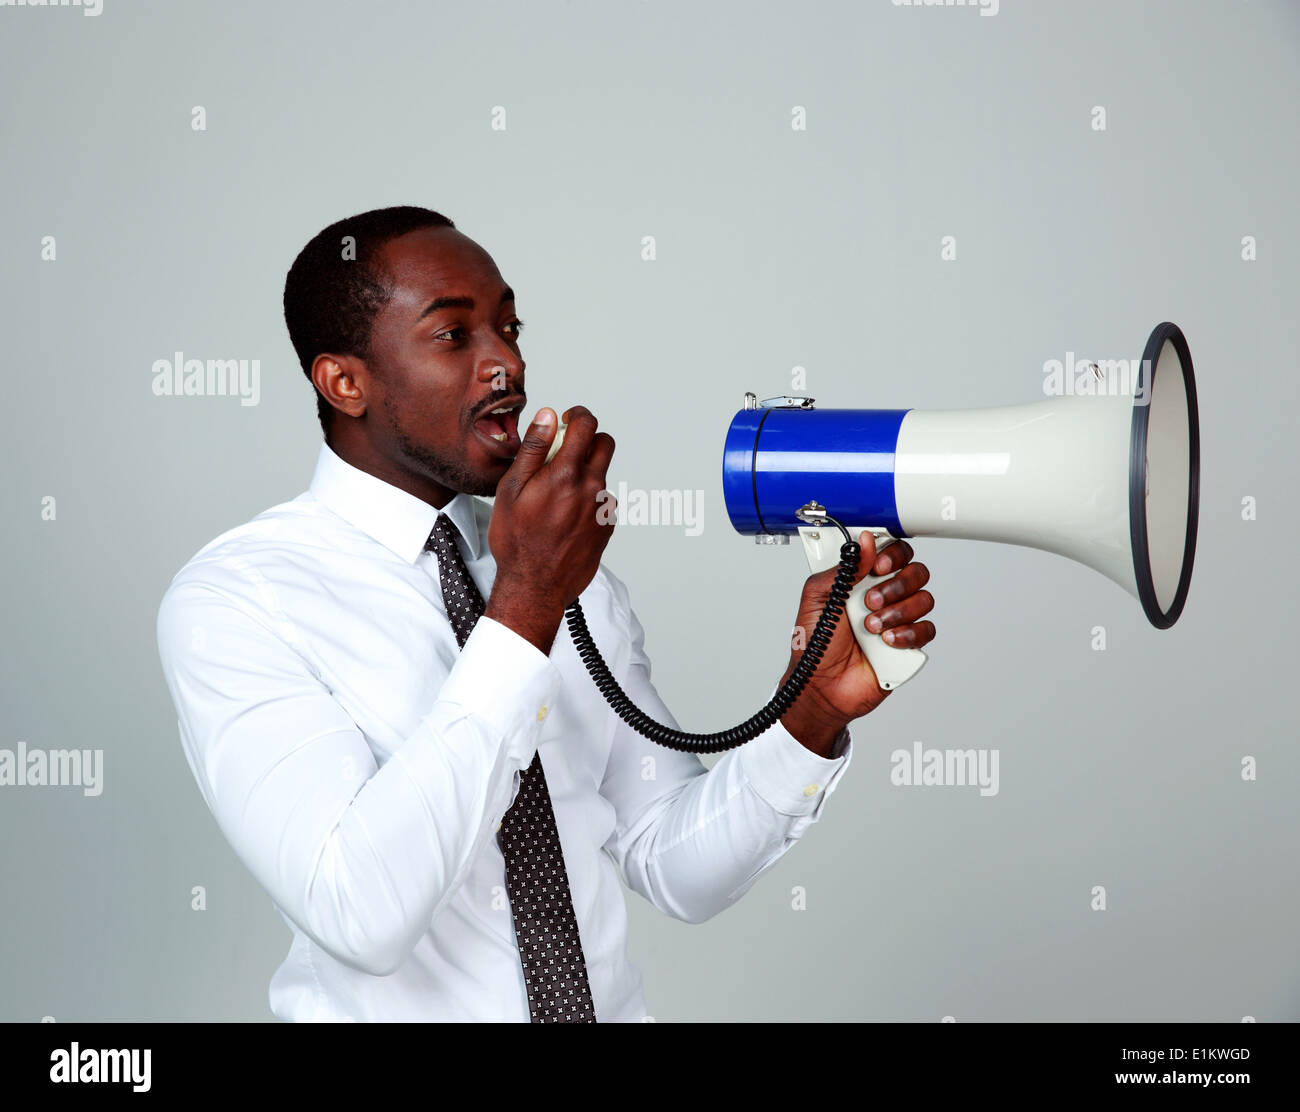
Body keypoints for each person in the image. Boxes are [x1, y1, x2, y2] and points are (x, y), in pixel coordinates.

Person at [155, 206, 937, 1022]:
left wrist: (811, 711)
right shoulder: (240, 600)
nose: (507, 364)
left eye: (509, 325)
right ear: (345, 382)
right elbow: (361, 912)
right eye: (454, 336)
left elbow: (674, 863)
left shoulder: (560, 568)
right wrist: (526, 602)